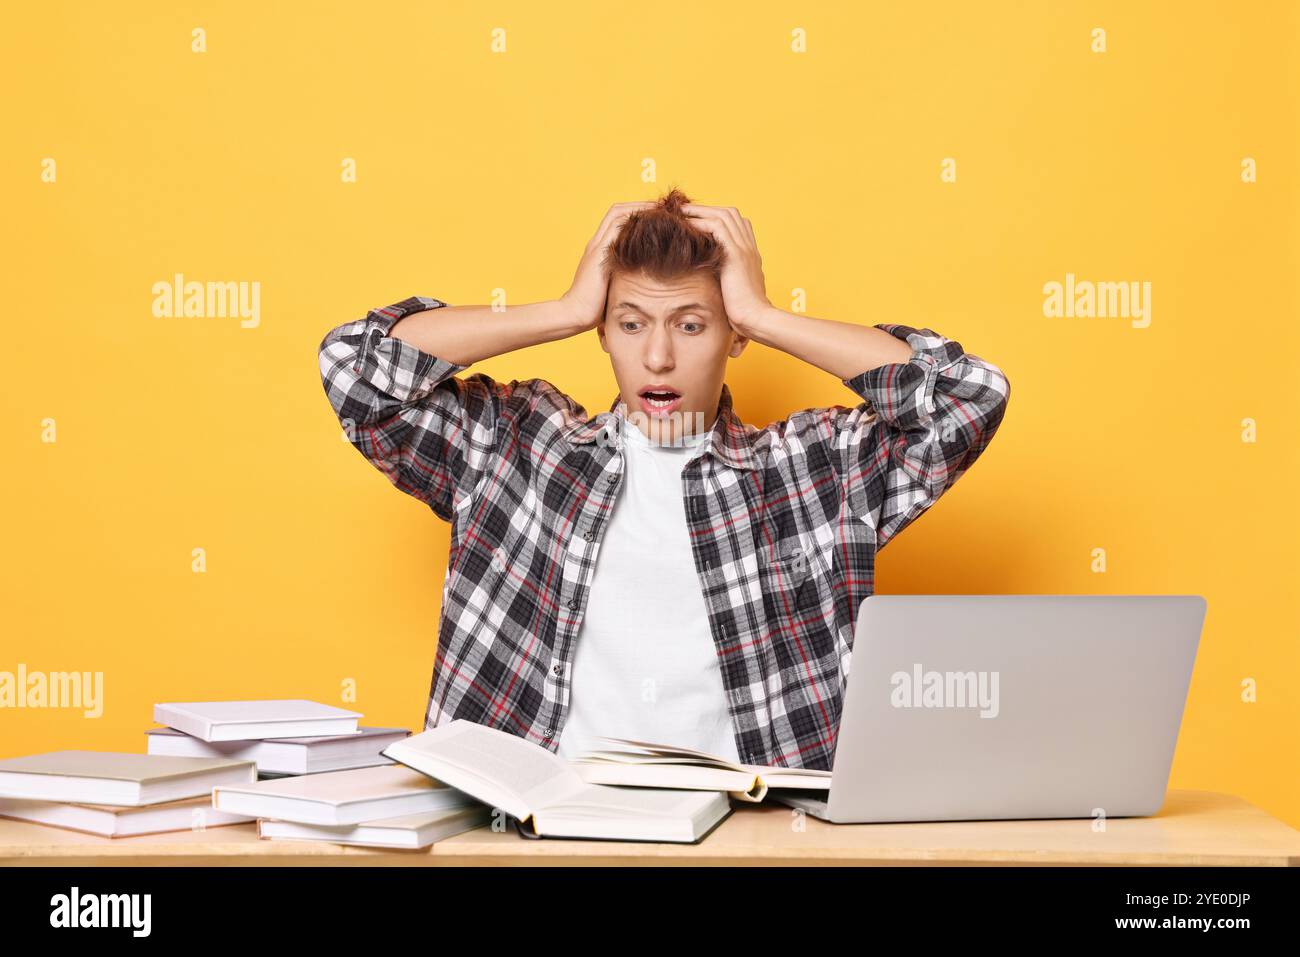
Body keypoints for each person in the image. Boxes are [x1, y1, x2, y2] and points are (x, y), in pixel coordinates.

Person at [316, 188, 1011, 770]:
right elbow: (355, 369)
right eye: (630, 322)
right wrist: (562, 310)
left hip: (748, 841)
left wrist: (767, 315)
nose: (657, 355)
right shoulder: (517, 448)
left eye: (691, 324)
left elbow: (967, 397)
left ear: (732, 334)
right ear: (603, 330)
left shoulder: (811, 471)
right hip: (544, 840)